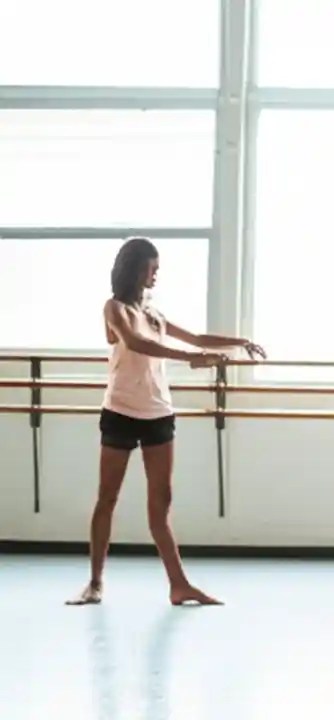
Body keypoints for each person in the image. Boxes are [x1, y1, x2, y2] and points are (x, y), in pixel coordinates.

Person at [67, 237, 266, 606]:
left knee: (161, 504)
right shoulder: (115, 309)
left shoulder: (153, 312)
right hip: (121, 412)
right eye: (152, 268)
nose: (156, 274)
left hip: (158, 412)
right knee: (107, 498)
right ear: (135, 268)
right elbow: (135, 343)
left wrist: (240, 341)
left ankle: (179, 585)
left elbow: (195, 337)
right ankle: (94, 583)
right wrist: (190, 358)